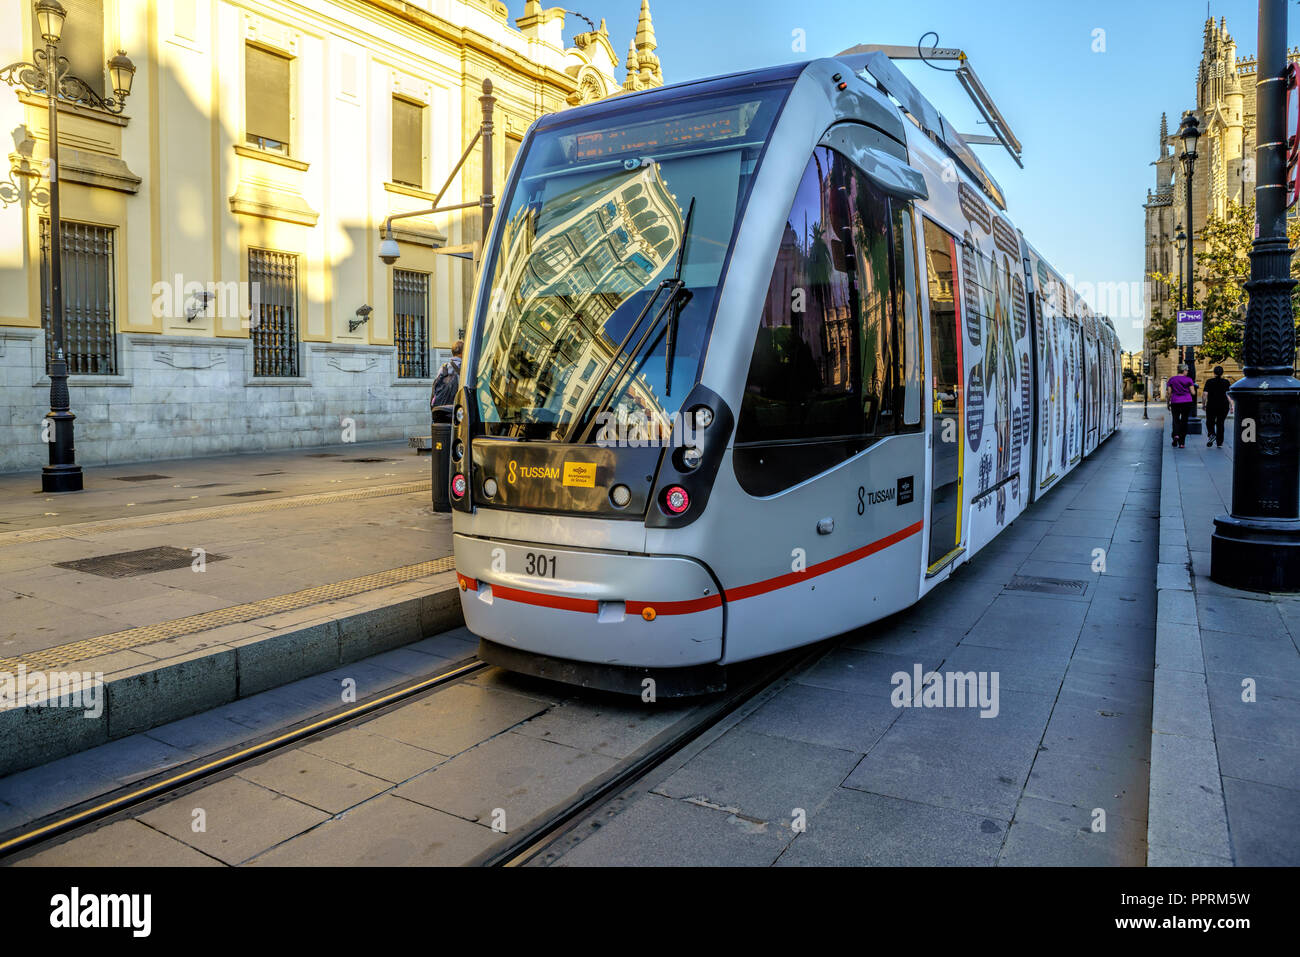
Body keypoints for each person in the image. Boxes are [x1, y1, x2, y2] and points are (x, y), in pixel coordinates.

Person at [1166, 363, 1196, 449]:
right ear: (1184, 370)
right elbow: (1193, 392)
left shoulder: (1172, 380)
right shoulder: (1189, 380)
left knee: (1175, 420)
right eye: (1187, 370)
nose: (1187, 372)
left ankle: (1176, 435)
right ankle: (1182, 443)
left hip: (1175, 401)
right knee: (1184, 421)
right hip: (1186, 402)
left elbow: (1169, 393)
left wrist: (1168, 402)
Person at [1202, 365, 1232, 448]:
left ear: (1214, 372)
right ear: (1222, 373)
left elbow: (1205, 394)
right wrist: (1232, 405)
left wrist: (1203, 404)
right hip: (1224, 405)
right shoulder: (1226, 382)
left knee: (1210, 421)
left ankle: (1212, 434)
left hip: (1212, 405)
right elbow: (1228, 395)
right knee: (1220, 423)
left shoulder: (1209, 381)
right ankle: (1219, 443)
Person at [431, 340, 463, 410]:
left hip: (443, 408)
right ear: (462, 353)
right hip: (458, 408)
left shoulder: (444, 367)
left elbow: (435, 388)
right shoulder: (464, 367)